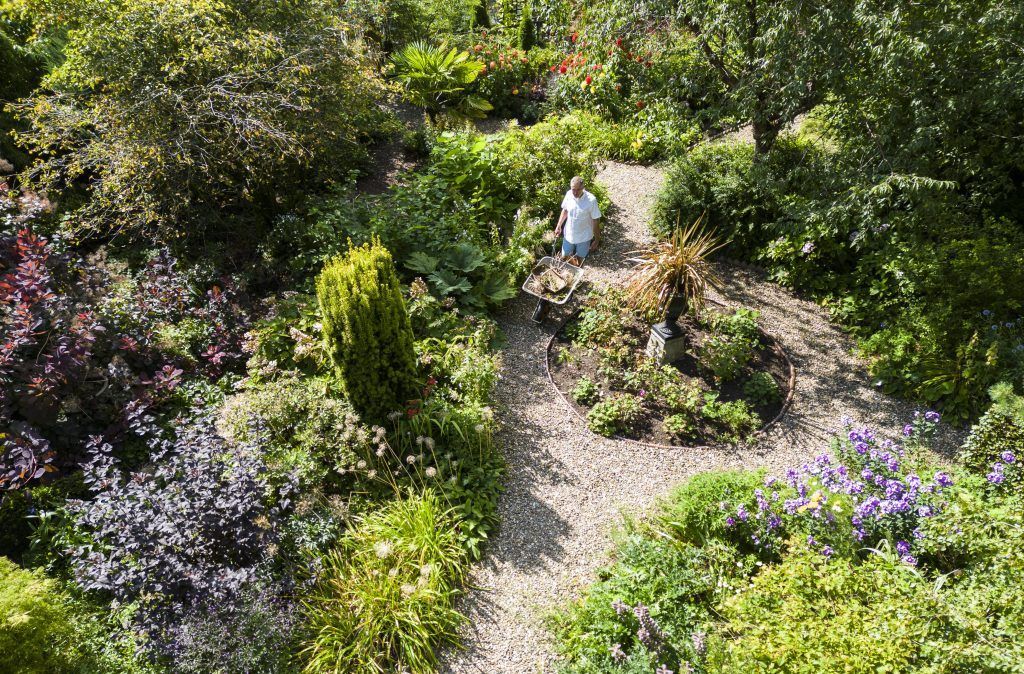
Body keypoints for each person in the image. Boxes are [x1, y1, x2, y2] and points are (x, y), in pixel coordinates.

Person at [554, 176, 601, 262]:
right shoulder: (569, 194)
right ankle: (565, 275)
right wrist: (559, 225)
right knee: (564, 258)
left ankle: (576, 272)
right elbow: (565, 210)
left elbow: (595, 220)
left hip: (584, 238)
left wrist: (597, 239)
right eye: (573, 189)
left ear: (583, 188)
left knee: (579, 260)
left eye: (578, 190)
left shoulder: (591, 200)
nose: (575, 192)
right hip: (569, 235)